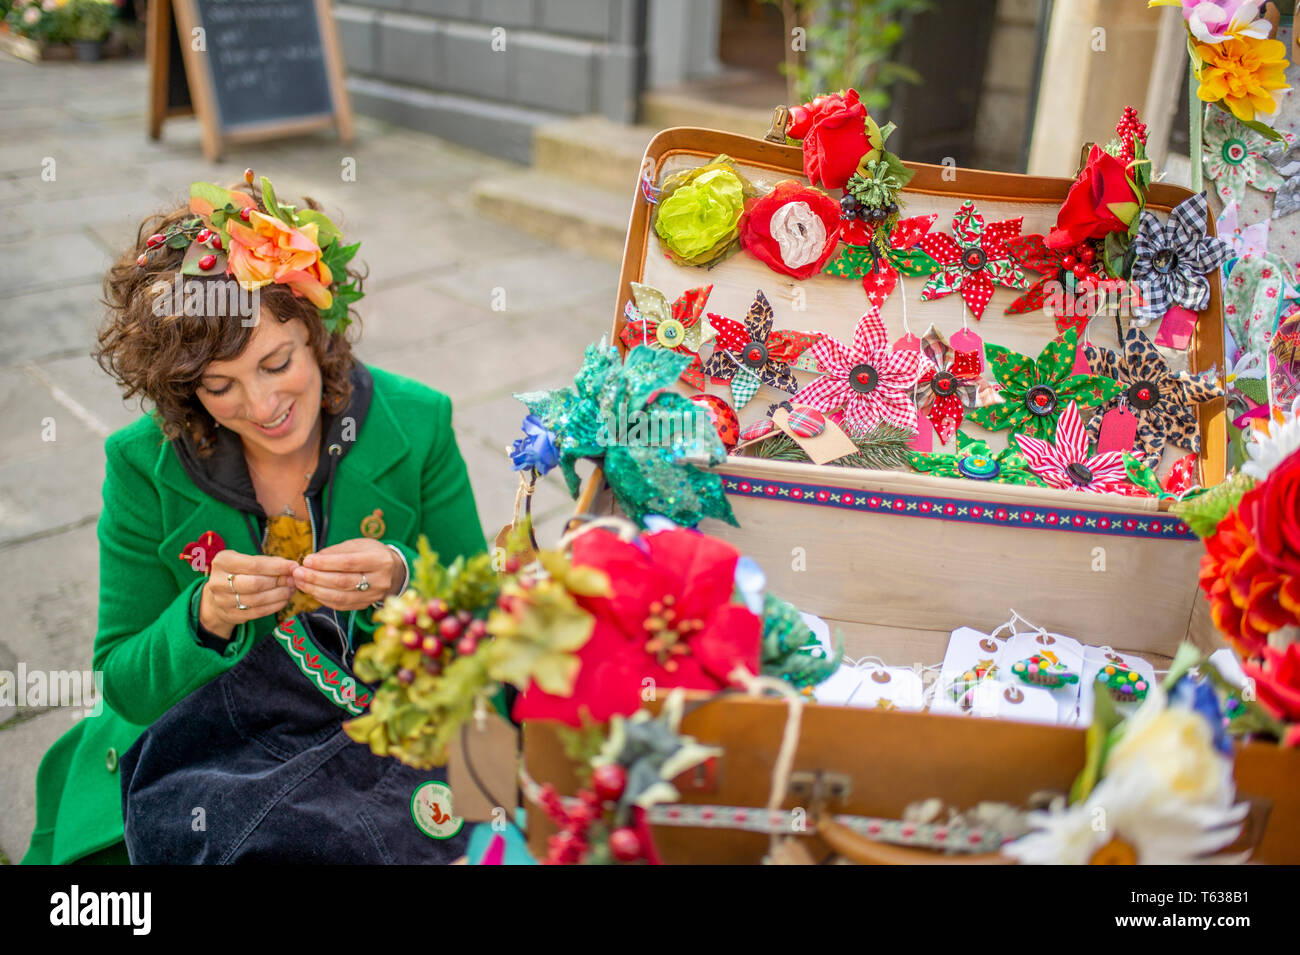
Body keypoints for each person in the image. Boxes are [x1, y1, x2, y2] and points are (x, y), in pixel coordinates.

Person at [22, 172, 485, 864]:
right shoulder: (141, 463)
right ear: (184, 388)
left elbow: (493, 607)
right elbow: (120, 676)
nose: (263, 405)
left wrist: (402, 574)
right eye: (219, 386)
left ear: (315, 330)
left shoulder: (417, 423)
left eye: (277, 362)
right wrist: (201, 617)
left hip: (371, 734)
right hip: (208, 751)